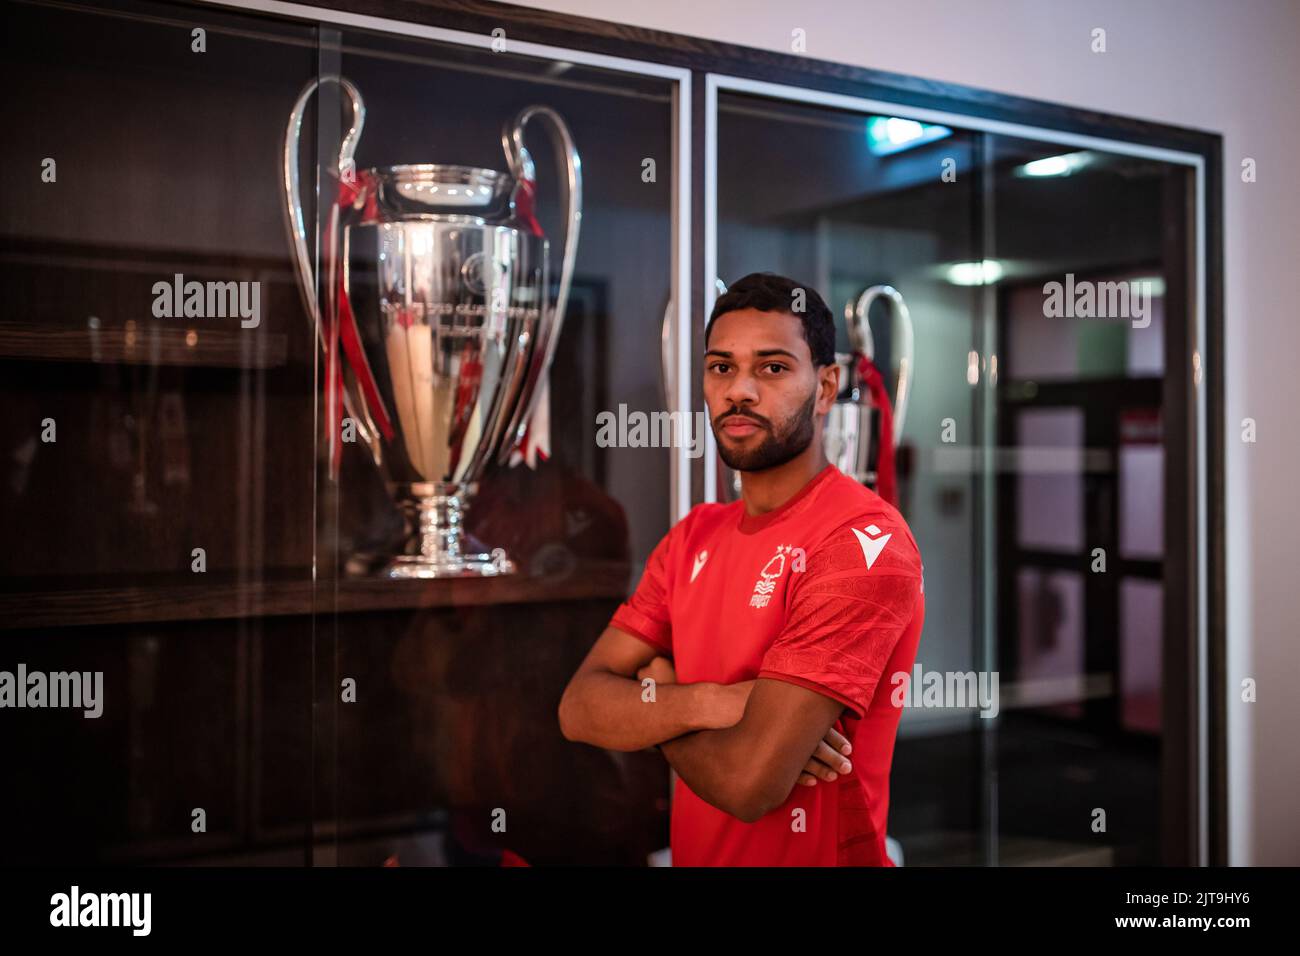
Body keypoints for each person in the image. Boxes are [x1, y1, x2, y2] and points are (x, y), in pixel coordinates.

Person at [558, 272, 925, 865]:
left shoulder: (863, 541)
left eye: (773, 368)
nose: (740, 391)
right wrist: (716, 703)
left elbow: (748, 784)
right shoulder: (692, 537)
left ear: (826, 386)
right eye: (722, 367)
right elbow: (579, 707)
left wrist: (657, 696)